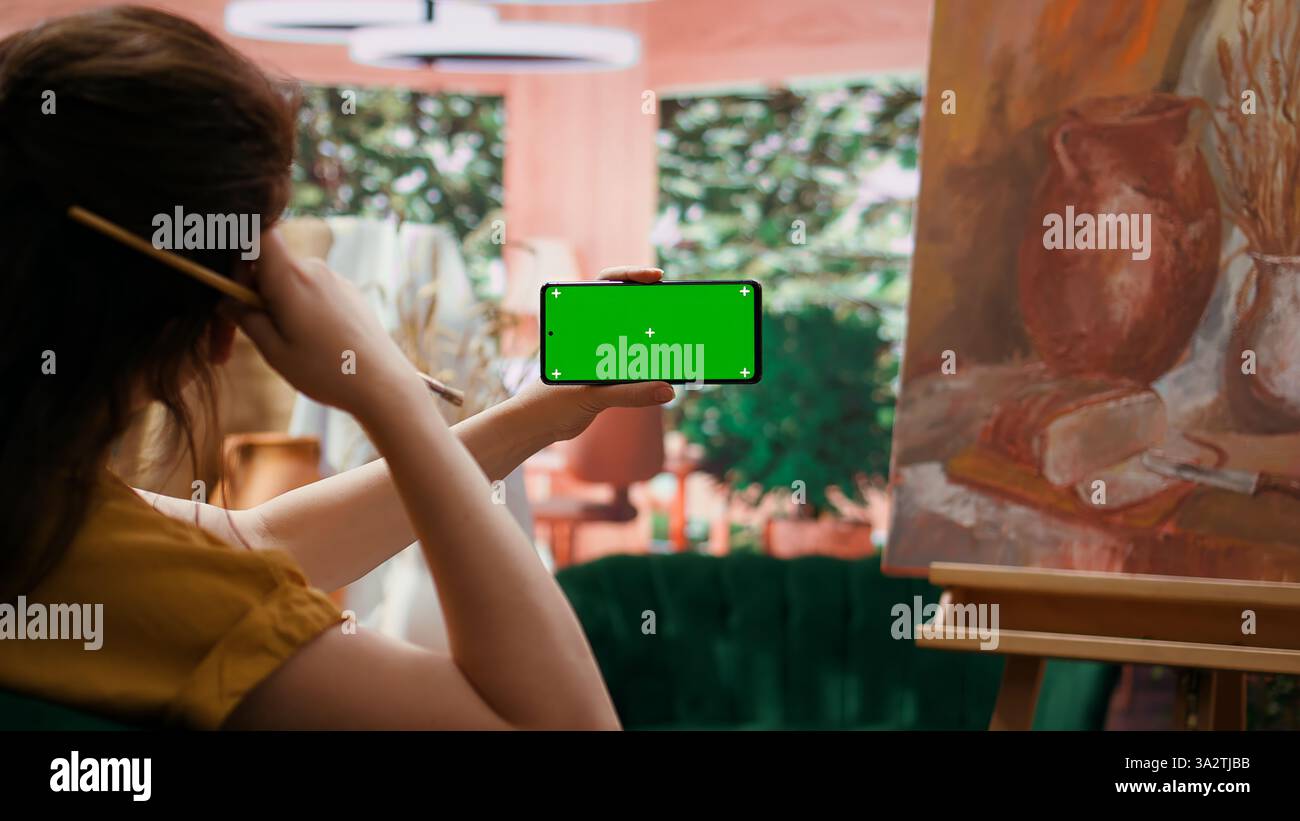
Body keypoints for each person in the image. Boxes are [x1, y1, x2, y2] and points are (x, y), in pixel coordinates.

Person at [0, 5, 673, 729]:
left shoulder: (46, 511)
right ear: (210, 320)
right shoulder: (117, 576)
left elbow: (259, 543)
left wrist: (531, 416)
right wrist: (384, 393)